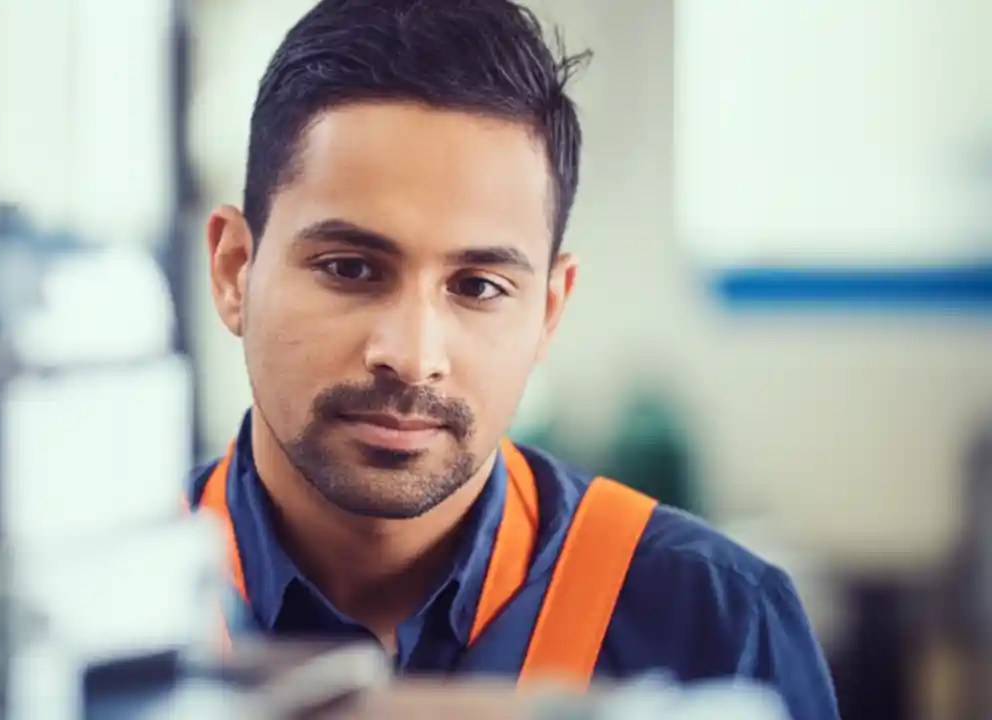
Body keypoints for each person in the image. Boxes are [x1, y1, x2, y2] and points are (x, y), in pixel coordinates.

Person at [190, 1, 838, 717]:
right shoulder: (102, 610)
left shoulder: (723, 623)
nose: (412, 357)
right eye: (350, 268)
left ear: (549, 311)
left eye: (478, 287)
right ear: (234, 270)